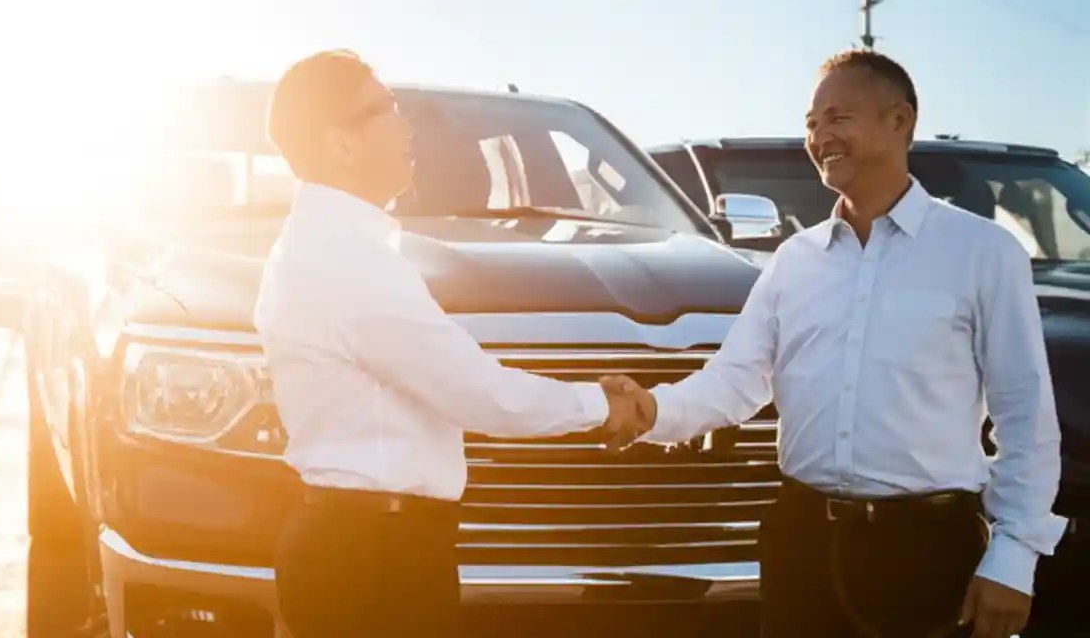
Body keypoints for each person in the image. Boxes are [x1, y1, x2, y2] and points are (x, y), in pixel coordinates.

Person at [605, 49, 1066, 638]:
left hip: (926, 553)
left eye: (837, 118)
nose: (820, 136)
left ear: (900, 122)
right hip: (802, 542)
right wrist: (652, 409)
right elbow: (737, 379)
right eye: (812, 123)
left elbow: (1025, 416)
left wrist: (1015, 555)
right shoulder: (793, 262)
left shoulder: (983, 252)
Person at [253, 49, 652, 638]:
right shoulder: (346, 259)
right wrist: (600, 403)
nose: (405, 124)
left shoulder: (321, 246)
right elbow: (476, 392)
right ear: (341, 144)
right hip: (375, 563)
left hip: (356, 546)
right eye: (387, 108)